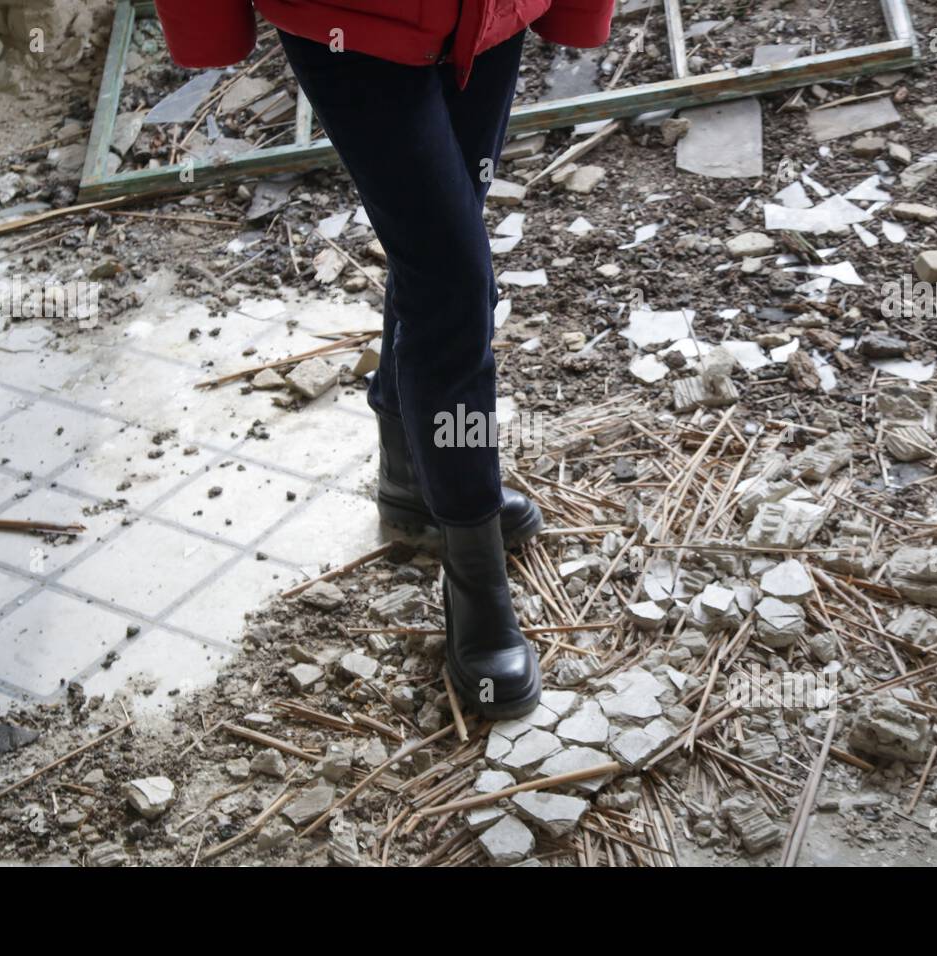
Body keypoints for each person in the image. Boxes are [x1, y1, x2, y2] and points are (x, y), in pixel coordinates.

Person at [155, 0, 615, 719]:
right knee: (457, 282)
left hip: (494, 16)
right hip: (353, 21)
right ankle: (473, 571)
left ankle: (411, 480)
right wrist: (205, 26)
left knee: (436, 247)